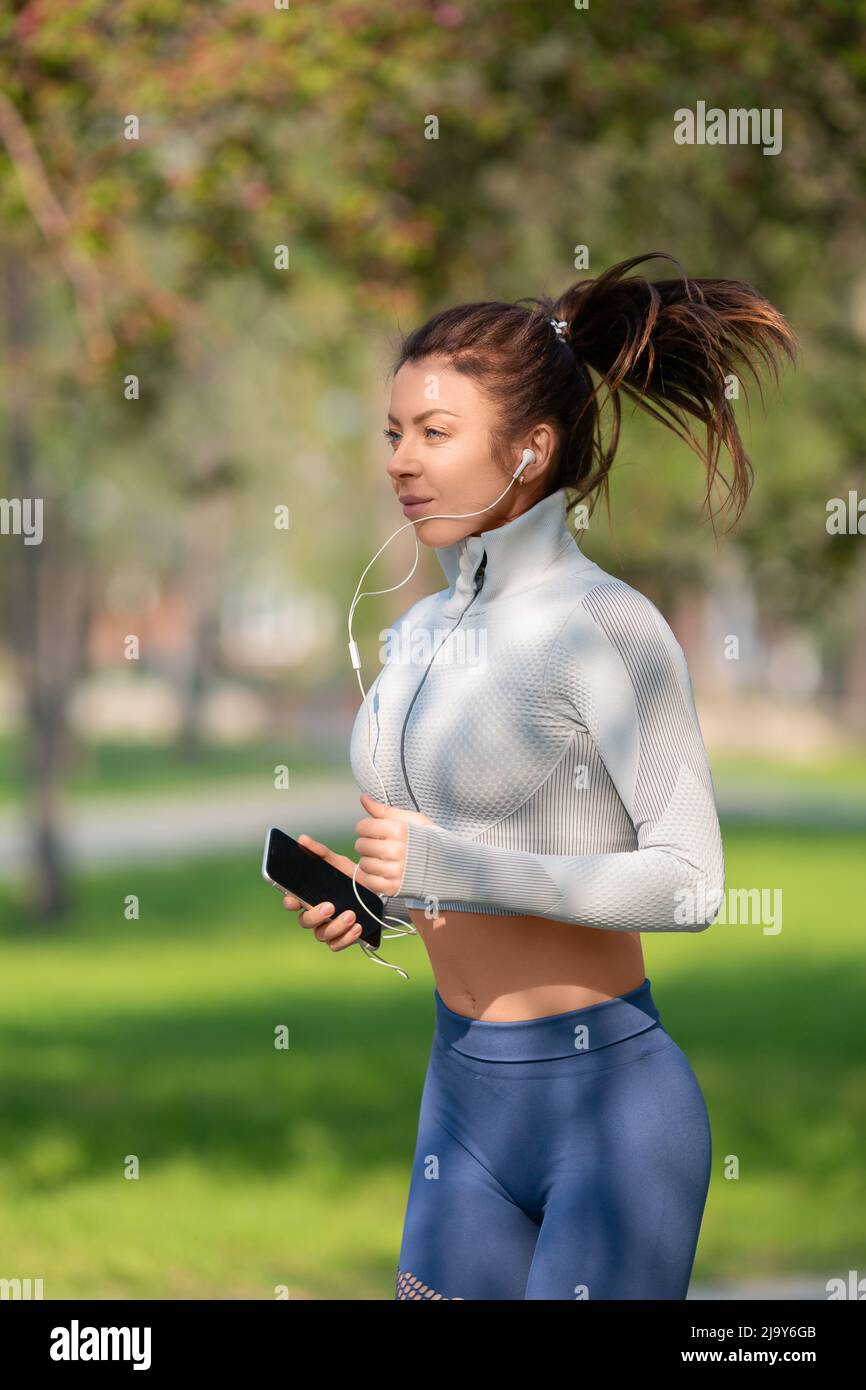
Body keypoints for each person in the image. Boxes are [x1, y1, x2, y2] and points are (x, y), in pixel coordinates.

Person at [282, 252, 797, 1300]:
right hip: (459, 1105)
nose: (400, 460)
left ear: (529, 450)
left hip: (606, 1111)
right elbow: (446, 864)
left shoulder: (605, 627)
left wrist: (454, 863)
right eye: (393, 433)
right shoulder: (417, 633)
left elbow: (690, 882)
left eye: (434, 434)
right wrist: (370, 900)